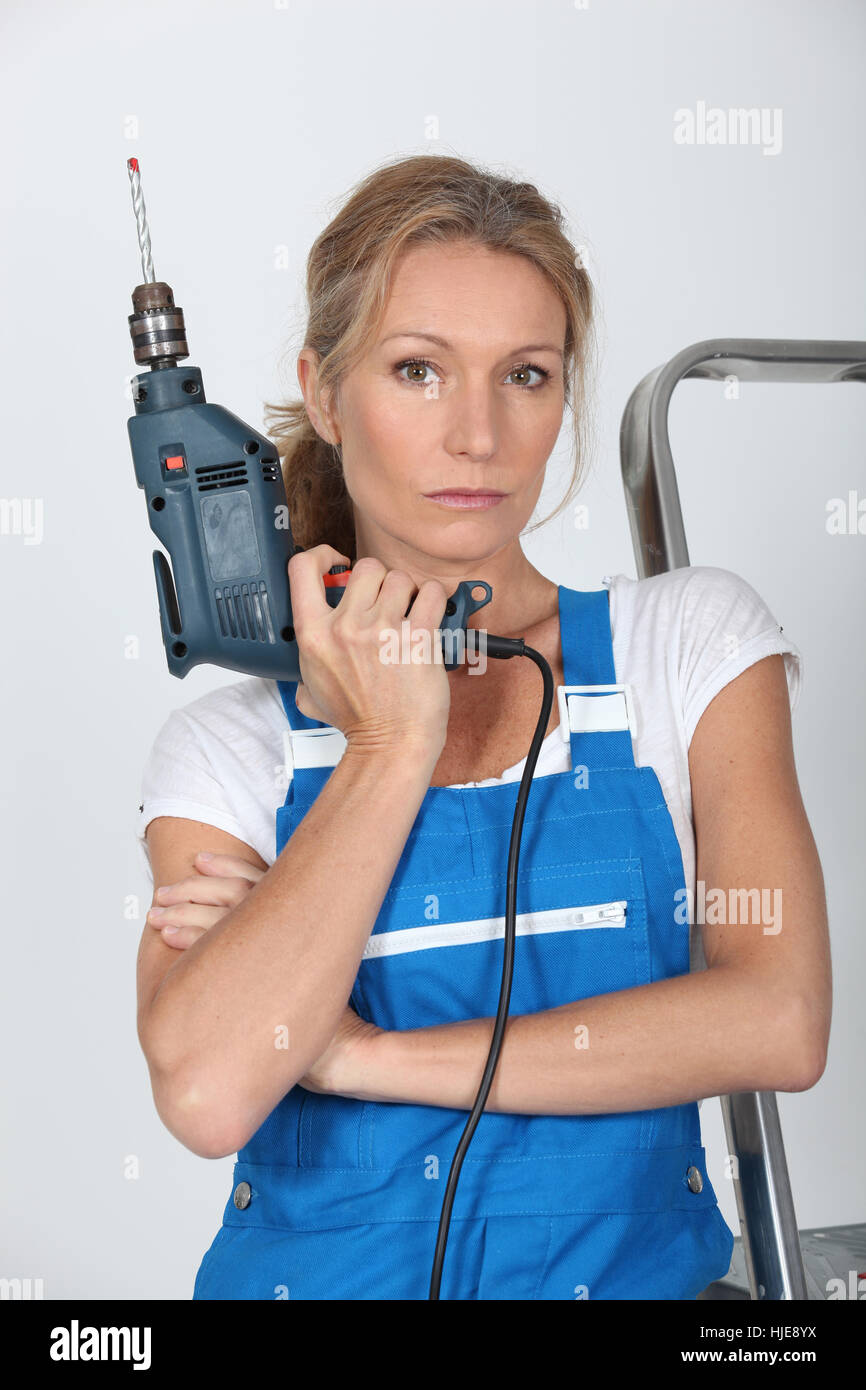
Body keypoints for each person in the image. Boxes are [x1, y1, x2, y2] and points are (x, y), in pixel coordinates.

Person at [135, 153, 831, 1301]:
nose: (478, 435)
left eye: (525, 375)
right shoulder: (228, 747)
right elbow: (211, 1091)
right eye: (417, 370)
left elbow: (777, 1016)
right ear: (321, 391)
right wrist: (386, 745)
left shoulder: (686, 648)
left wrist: (363, 1054)